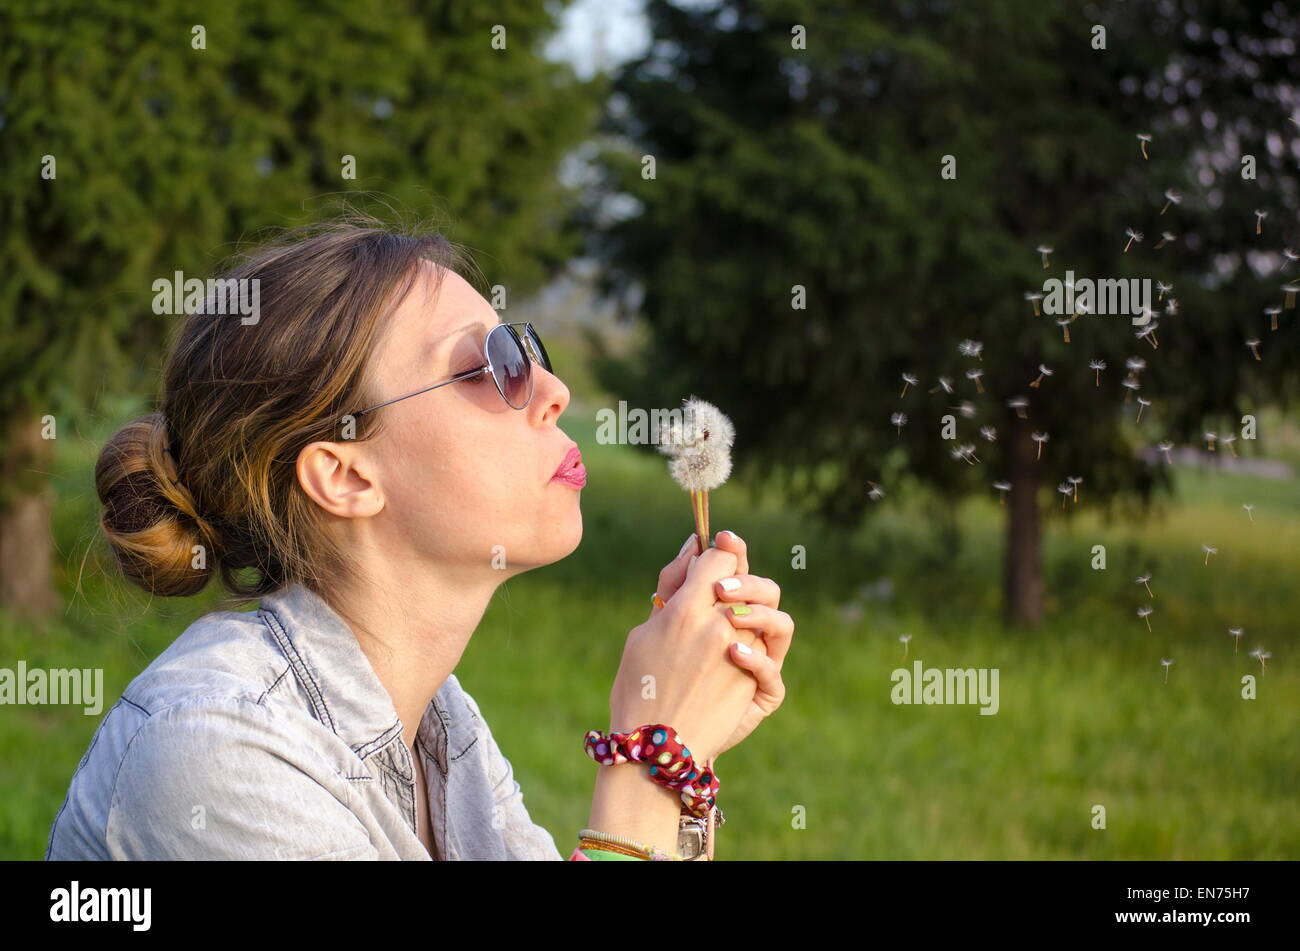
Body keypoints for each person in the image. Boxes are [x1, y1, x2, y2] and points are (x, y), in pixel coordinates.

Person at [45, 212, 794, 860]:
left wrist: (685, 757)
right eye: (488, 366)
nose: (552, 389)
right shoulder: (217, 746)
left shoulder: (441, 727)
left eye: (526, 349)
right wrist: (650, 751)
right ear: (345, 475)